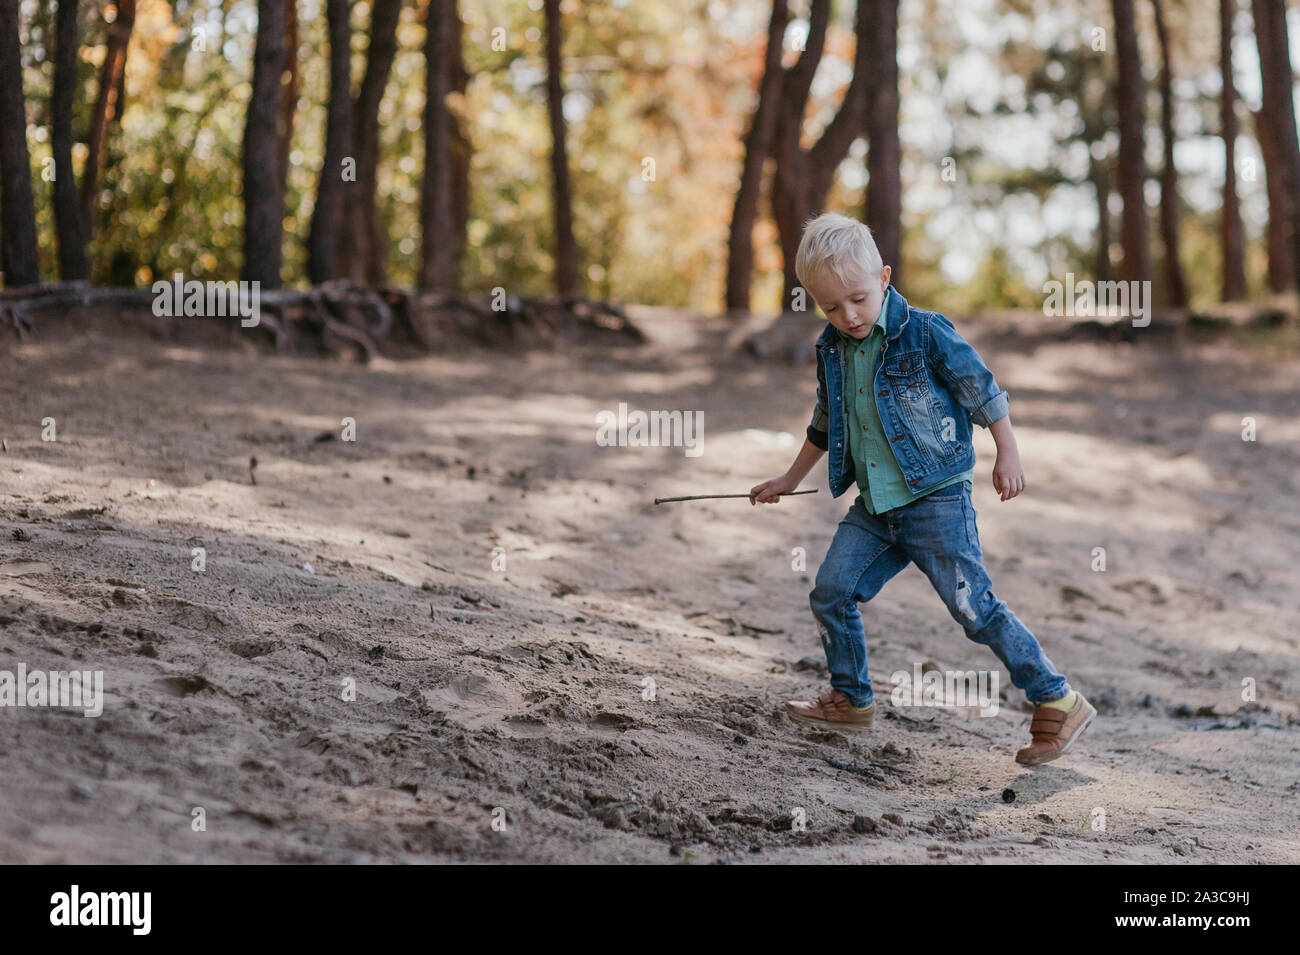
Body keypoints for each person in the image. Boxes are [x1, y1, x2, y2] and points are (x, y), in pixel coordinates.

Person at [749, 212, 1094, 765]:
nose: (849, 315)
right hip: (877, 507)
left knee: (974, 609)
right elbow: (825, 419)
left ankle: (1057, 698)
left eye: (858, 299)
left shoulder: (927, 331)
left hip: (937, 499)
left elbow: (982, 389)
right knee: (832, 591)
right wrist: (790, 479)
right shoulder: (830, 347)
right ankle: (852, 698)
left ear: (884, 277)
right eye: (830, 307)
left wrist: (1008, 449)